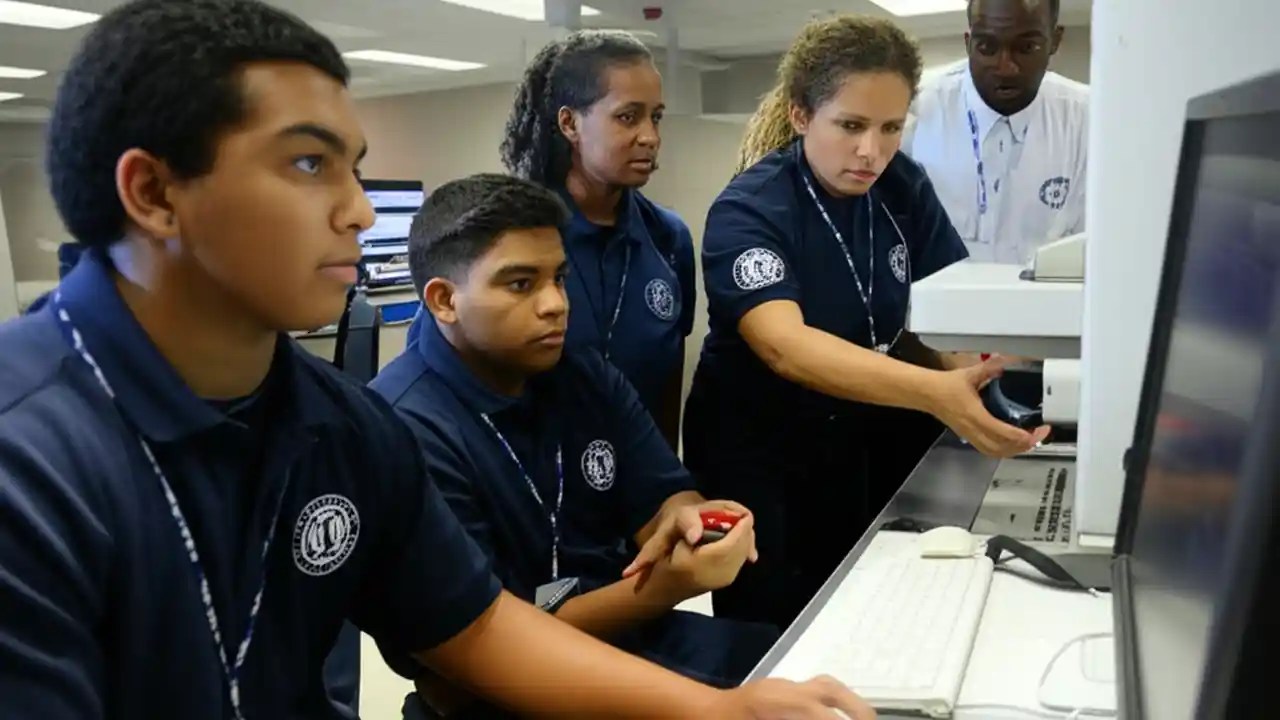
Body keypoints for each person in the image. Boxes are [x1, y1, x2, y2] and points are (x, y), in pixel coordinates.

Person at [0, 1, 879, 718]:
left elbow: (478, 628)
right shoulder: (30, 459)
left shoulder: (335, 422)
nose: (353, 211)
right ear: (154, 193)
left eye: (352, 168)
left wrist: (719, 711)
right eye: (308, 164)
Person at [685, 15, 1051, 631]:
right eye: (850, 126)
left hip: (862, 430)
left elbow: (943, 312)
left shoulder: (901, 186)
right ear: (802, 115)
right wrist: (939, 395)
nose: (871, 151)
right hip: (764, 452)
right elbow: (786, 347)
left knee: (875, 605)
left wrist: (981, 383)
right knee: (778, 631)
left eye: (890, 128)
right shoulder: (751, 209)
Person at [373, 173, 781, 718]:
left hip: (628, 638)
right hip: (492, 695)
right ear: (445, 300)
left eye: (559, 278)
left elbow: (663, 501)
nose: (555, 304)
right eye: (521, 284)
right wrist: (666, 586)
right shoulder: (402, 429)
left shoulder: (582, 375)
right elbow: (473, 661)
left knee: (801, 667)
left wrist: (693, 525)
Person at [407, 31, 695, 449]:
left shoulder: (668, 238)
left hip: (638, 485)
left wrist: (669, 483)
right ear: (569, 123)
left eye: (657, 117)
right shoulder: (501, 237)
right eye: (628, 117)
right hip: (531, 485)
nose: (650, 136)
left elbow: (668, 380)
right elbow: (435, 375)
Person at [903, 0, 1088, 264]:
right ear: (968, 43)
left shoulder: (1089, 119)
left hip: (1045, 303)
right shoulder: (915, 112)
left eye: (1026, 48)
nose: (1006, 67)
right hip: (936, 300)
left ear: (1055, 41)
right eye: (987, 47)